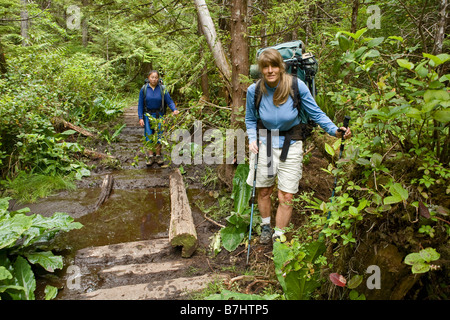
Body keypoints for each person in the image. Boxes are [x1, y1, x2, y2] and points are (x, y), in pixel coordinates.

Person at [245, 48, 352, 244]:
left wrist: (335, 130)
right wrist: (252, 138)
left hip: (291, 143)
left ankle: (279, 234)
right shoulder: (255, 90)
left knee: (286, 194)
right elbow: (250, 119)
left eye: (274, 66)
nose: (270, 71)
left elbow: (316, 112)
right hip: (265, 144)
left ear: (281, 67)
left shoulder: (296, 86)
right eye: (265, 67)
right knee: (264, 190)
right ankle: (265, 226)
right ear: (261, 69)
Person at [138, 70, 179, 166]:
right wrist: (140, 117)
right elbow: (140, 104)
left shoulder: (162, 89)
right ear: (148, 78)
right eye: (152, 77)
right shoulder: (144, 89)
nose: (154, 79)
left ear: (158, 78)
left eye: (156, 77)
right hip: (147, 115)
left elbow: (169, 101)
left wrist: (174, 109)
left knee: (159, 135)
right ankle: (150, 156)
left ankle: (158, 155)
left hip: (160, 115)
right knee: (149, 135)